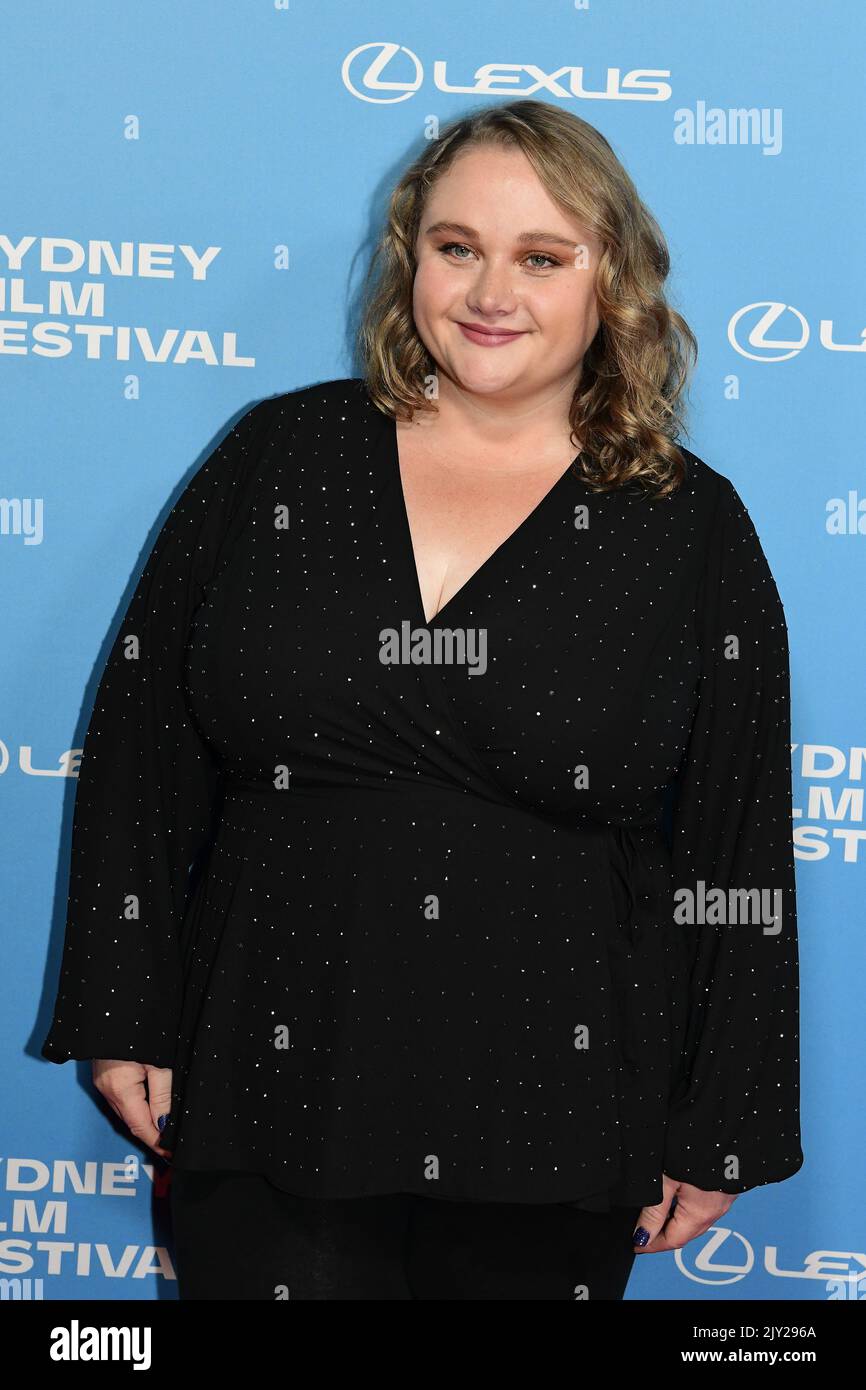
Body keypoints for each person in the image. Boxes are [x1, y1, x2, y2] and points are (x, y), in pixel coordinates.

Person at [40, 99, 803, 1301]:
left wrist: (722, 1117)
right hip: (268, 1079)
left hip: (552, 1111)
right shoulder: (278, 457)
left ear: (612, 283)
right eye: (456, 247)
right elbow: (146, 750)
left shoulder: (684, 523)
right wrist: (123, 1005)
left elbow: (735, 834)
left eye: (540, 257)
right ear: (411, 260)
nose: (489, 290)